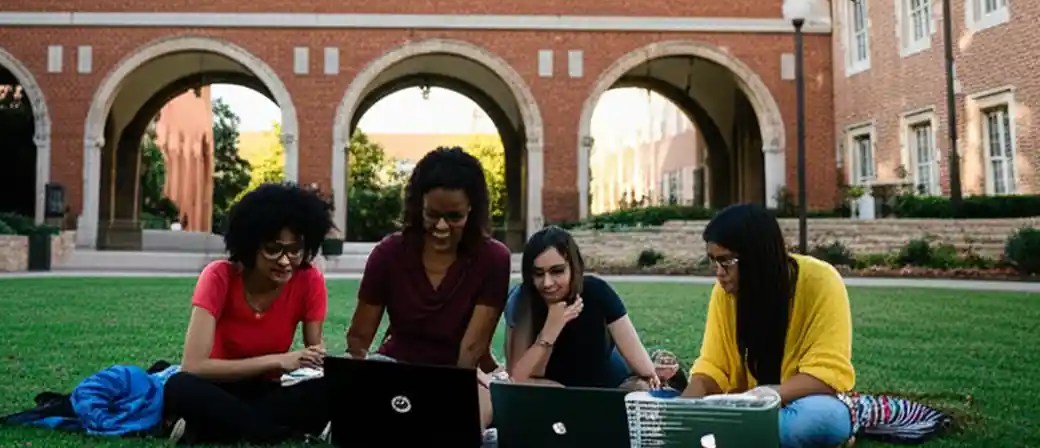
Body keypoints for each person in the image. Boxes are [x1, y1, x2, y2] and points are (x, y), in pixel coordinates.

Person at [346, 146, 511, 430]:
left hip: (460, 374)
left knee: (467, 425)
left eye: (455, 217)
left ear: (473, 209)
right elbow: (359, 338)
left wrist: (448, 398)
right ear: (417, 207)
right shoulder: (389, 253)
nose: (442, 226)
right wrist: (360, 385)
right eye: (432, 215)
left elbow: (471, 350)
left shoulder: (493, 258)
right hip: (396, 367)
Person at [161, 182, 335, 445]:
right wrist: (278, 361)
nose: (285, 261)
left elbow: (314, 352)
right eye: (273, 249)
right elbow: (193, 366)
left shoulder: (309, 280)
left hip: (266, 390)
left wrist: (316, 358)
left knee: (329, 392)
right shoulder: (219, 276)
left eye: (295, 250)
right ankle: (271, 432)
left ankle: (213, 428)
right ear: (250, 245)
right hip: (217, 385)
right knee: (179, 386)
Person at [682, 203, 856, 448]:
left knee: (823, 418)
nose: (719, 273)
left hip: (800, 403)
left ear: (756, 257)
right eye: (714, 262)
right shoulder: (724, 294)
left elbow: (826, 374)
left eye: (726, 262)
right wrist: (684, 407)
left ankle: (728, 437)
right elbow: (714, 365)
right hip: (743, 408)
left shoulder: (821, 281)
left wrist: (768, 395)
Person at [505, 226, 661, 389]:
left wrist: (651, 375)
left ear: (574, 268)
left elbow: (645, 368)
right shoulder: (524, 299)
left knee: (642, 387)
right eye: (538, 273)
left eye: (557, 271)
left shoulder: (597, 292)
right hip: (555, 393)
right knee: (549, 389)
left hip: (607, 386)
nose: (547, 283)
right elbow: (517, 378)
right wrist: (550, 331)